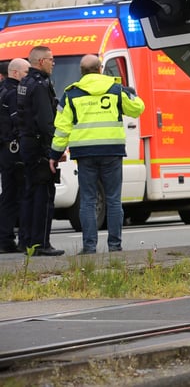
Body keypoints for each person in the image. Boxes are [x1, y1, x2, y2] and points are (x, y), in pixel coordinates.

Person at [50, 54, 145, 254]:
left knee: (88, 200)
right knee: (113, 199)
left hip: (85, 154)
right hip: (111, 151)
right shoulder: (116, 90)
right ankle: (115, 246)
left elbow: (61, 128)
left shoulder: (71, 94)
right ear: (100, 68)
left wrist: (55, 154)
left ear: (81, 72)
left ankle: (89, 247)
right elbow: (138, 109)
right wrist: (131, 94)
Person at [18, 46, 62, 256]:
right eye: (51, 59)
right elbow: (46, 121)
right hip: (39, 146)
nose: (53, 63)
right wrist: (54, 150)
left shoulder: (25, 83)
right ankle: (42, 243)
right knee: (44, 196)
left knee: (29, 194)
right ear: (41, 61)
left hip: (27, 144)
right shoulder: (41, 85)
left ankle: (27, 242)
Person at [0, 59, 29, 253]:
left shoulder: (2, 90)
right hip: (14, 149)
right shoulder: (14, 93)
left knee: (8, 196)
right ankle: (11, 240)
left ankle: (5, 239)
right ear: (16, 73)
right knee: (19, 196)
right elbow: (19, 121)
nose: (29, 75)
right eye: (27, 71)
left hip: (4, 150)